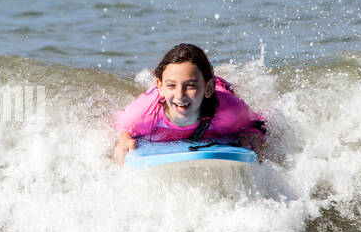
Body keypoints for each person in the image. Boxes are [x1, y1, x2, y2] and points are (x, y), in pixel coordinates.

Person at [114, 43, 266, 163]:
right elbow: (120, 125)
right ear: (160, 87)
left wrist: (254, 135)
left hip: (220, 88)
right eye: (172, 86)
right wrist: (124, 137)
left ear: (208, 88)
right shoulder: (142, 115)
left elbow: (259, 121)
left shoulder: (229, 112)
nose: (180, 95)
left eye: (190, 86)